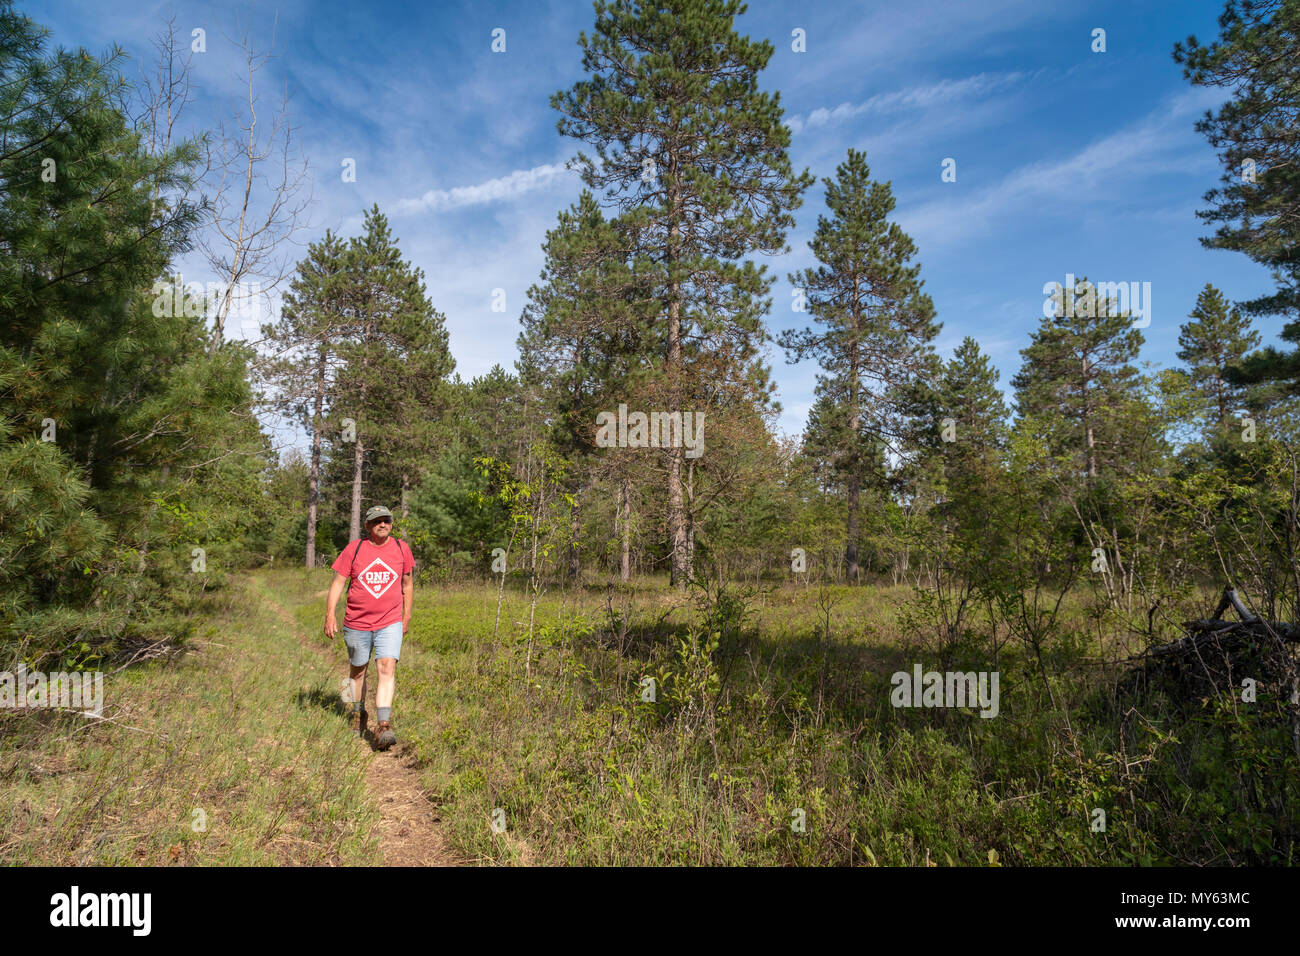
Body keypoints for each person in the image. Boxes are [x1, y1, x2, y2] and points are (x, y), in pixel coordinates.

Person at [324, 505, 413, 751]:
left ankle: (383, 725)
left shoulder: (401, 548)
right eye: (377, 521)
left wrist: (406, 616)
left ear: (391, 524)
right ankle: (357, 711)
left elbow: (407, 584)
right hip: (357, 622)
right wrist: (330, 614)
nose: (382, 524)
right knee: (357, 671)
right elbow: (338, 582)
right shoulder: (355, 549)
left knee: (386, 666)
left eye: (386, 520)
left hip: (389, 621)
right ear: (367, 526)